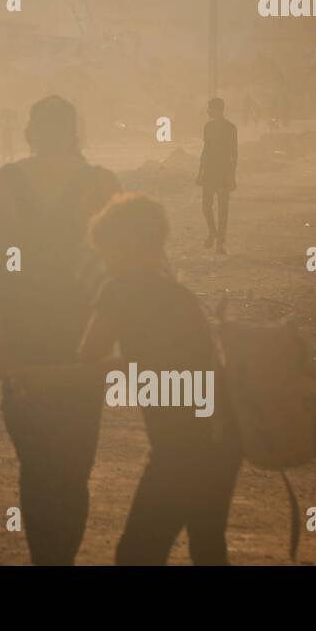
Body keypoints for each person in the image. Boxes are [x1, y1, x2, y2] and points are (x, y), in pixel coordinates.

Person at [0, 95, 121, 565]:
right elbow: (126, 267)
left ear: (29, 134)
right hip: (84, 345)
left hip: (18, 346)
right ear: (76, 134)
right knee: (74, 471)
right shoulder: (103, 185)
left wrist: (0, 303)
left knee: (36, 469)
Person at [78, 194, 240, 565]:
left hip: (182, 448)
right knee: (208, 546)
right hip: (223, 437)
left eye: (104, 252)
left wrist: (38, 377)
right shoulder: (178, 292)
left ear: (122, 246)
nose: (103, 262)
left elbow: (89, 355)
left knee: (137, 553)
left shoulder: (120, 288)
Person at [196, 97, 237, 254]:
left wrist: (232, 176)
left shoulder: (230, 128)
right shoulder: (208, 127)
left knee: (222, 208)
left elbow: (235, 154)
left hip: (224, 172)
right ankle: (213, 232)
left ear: (218, 109)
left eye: (210, 108)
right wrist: (200, 171)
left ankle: (220, 242)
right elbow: (205, 150)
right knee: (206, 206)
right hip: (210, 171)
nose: (208, 111)